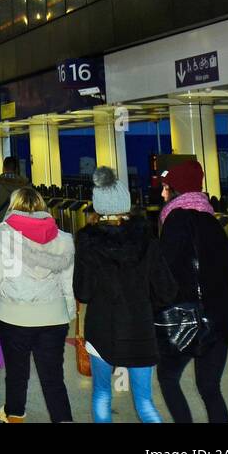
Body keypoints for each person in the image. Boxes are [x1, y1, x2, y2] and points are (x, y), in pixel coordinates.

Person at [75, 165, 176, 423]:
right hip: (140, 330)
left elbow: (83, 292)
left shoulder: (88, 243)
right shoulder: (147, 241)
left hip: (102, 330)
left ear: (97, 206)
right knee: (145, 402)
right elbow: (166, 291)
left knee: (101, 395)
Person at [0, 186, 76, 423]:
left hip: (14, 317)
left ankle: (15, 417)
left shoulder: (0, 235)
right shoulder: (63, 238)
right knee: (53, 379)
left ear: (13, 207)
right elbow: (68, 282)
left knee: (16, 376)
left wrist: (2, 289)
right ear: (42, 207)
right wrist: (69, 312)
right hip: (53, 318)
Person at [155, 160, 228, 424]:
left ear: (176, 190)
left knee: (168, 378)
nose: (163, 194)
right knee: (211, 389)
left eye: (166, 188)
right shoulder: (213, 221)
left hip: (186, 320)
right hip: (218, 323)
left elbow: (164, 271)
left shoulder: (175, 220)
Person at [0, 156, 29, 225]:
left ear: (3, 168)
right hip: (20, 226)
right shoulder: (25, 187)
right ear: (16, 169)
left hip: (0, 227)